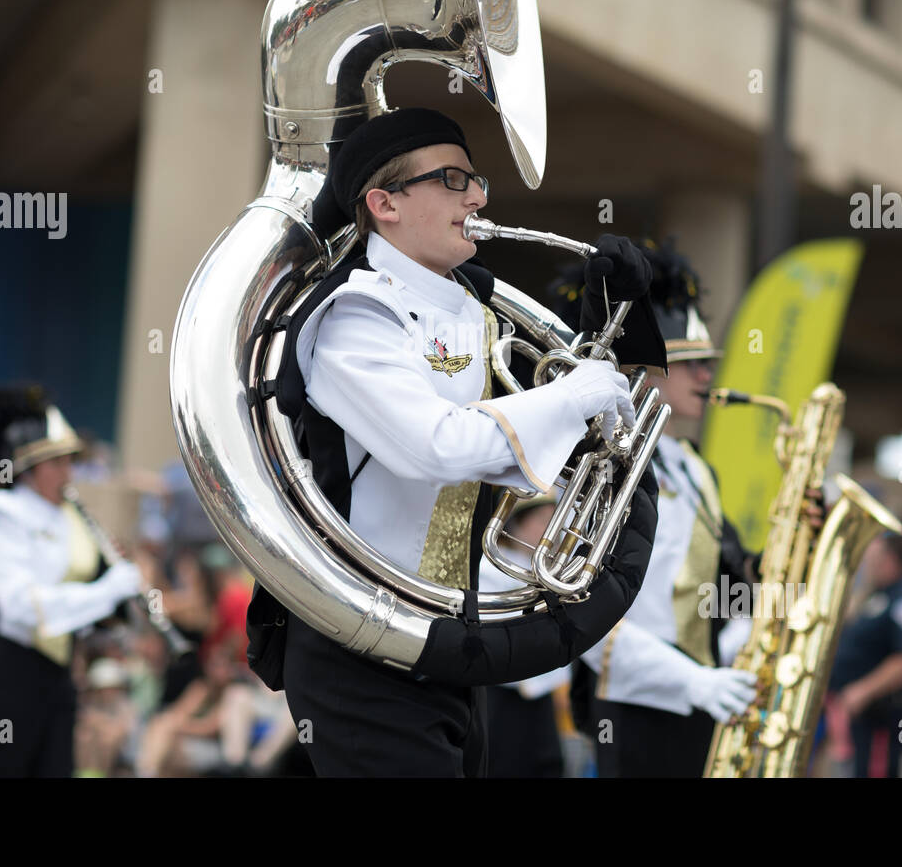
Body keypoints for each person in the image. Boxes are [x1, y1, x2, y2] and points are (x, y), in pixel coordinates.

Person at [255, 107, 664, 777]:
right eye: (452, 179)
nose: (476, 197)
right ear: (383, 202)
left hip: (444, 637)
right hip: (360, 639)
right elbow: (436, 447)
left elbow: (519, 455)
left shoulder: (473, 311)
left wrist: (602, 332)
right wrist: (568, 395)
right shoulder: (357, 314)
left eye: (477, 182)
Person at [571, 241, 778, 777]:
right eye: (689, 363)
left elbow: (734, 573)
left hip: (702, 694)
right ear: (644, 367)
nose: (707, 376)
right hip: (640, 699)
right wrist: (691, 681)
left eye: (708, 363)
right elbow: (583, 609)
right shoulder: (601, 460)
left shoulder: (692, 465)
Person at [0, 385, 143, 777]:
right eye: (56, 462)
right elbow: (23, 608)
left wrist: (113, 606)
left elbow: (85, 600)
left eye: (70, 461)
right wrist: (104, 593)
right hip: (2, 677)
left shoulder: (70, 518)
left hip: (57, 680)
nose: (67, 472)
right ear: (28, 465)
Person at [479, 495, 569, 778]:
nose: (549, 531)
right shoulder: (487, 568)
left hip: (537, 700)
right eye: (542, 520)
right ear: (517, 523)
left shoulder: (553, 576)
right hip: (496, 695)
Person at [826, 533, 902, 777]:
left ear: (891, 559)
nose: (868, 564)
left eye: (873, 557)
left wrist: (863, 690)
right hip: (859, 718)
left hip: (885, 719)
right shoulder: (876, 597)